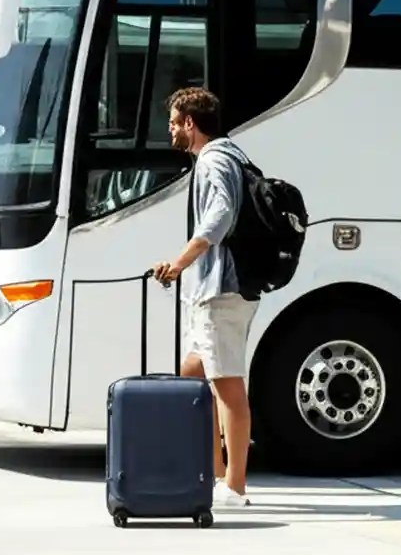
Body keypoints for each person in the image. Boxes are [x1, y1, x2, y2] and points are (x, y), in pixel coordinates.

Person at [151, 86, 258, 509]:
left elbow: (222, 214)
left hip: (222, 290)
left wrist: (180, 262)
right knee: (193, 375)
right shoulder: (229, 156)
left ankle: (234, 487)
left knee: (226, 384)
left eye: (174, 123)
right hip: (216, 289)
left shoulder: (214, 159)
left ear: (190, 124)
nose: (171, 130)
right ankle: (213, 473)